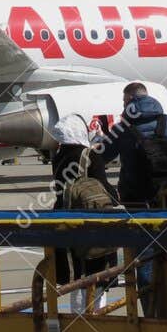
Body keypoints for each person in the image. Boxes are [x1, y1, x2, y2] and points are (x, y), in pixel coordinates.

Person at [50, 113, 122, 313]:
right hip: (89, 221)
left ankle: (76, 322)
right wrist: (116, 195)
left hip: (63, 219)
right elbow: (103, 189)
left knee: (75, 279)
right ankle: (97, 319)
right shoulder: (89, 155)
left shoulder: (57, 158)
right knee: (97, 276)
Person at [97, 83, 167, 207]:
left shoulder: (121, 129)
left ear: (130, 99)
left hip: (135, 198)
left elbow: (101, 158)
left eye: (124, 101)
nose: (124, 105)